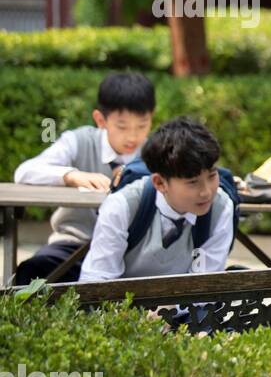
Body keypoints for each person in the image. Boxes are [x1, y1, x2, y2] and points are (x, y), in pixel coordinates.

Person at [13, 71, 154, 284]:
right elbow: (25, 171)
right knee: (32, 272)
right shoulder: (78, 141)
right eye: (122, 126)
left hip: (130, 252)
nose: (133, 136)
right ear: (100, 119)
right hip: (74, 245)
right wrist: (70, 175)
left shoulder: (155, 152)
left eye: (142, 126)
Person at [79, 117, 236, 282]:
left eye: (212, 176)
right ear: (160, 183)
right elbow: (97, 279)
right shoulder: (122, 206)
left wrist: (169, 308)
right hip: (122, 305)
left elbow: (204, 284)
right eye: (192, 182)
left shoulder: (221, 207)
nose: (206, 192)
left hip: (185, 306)